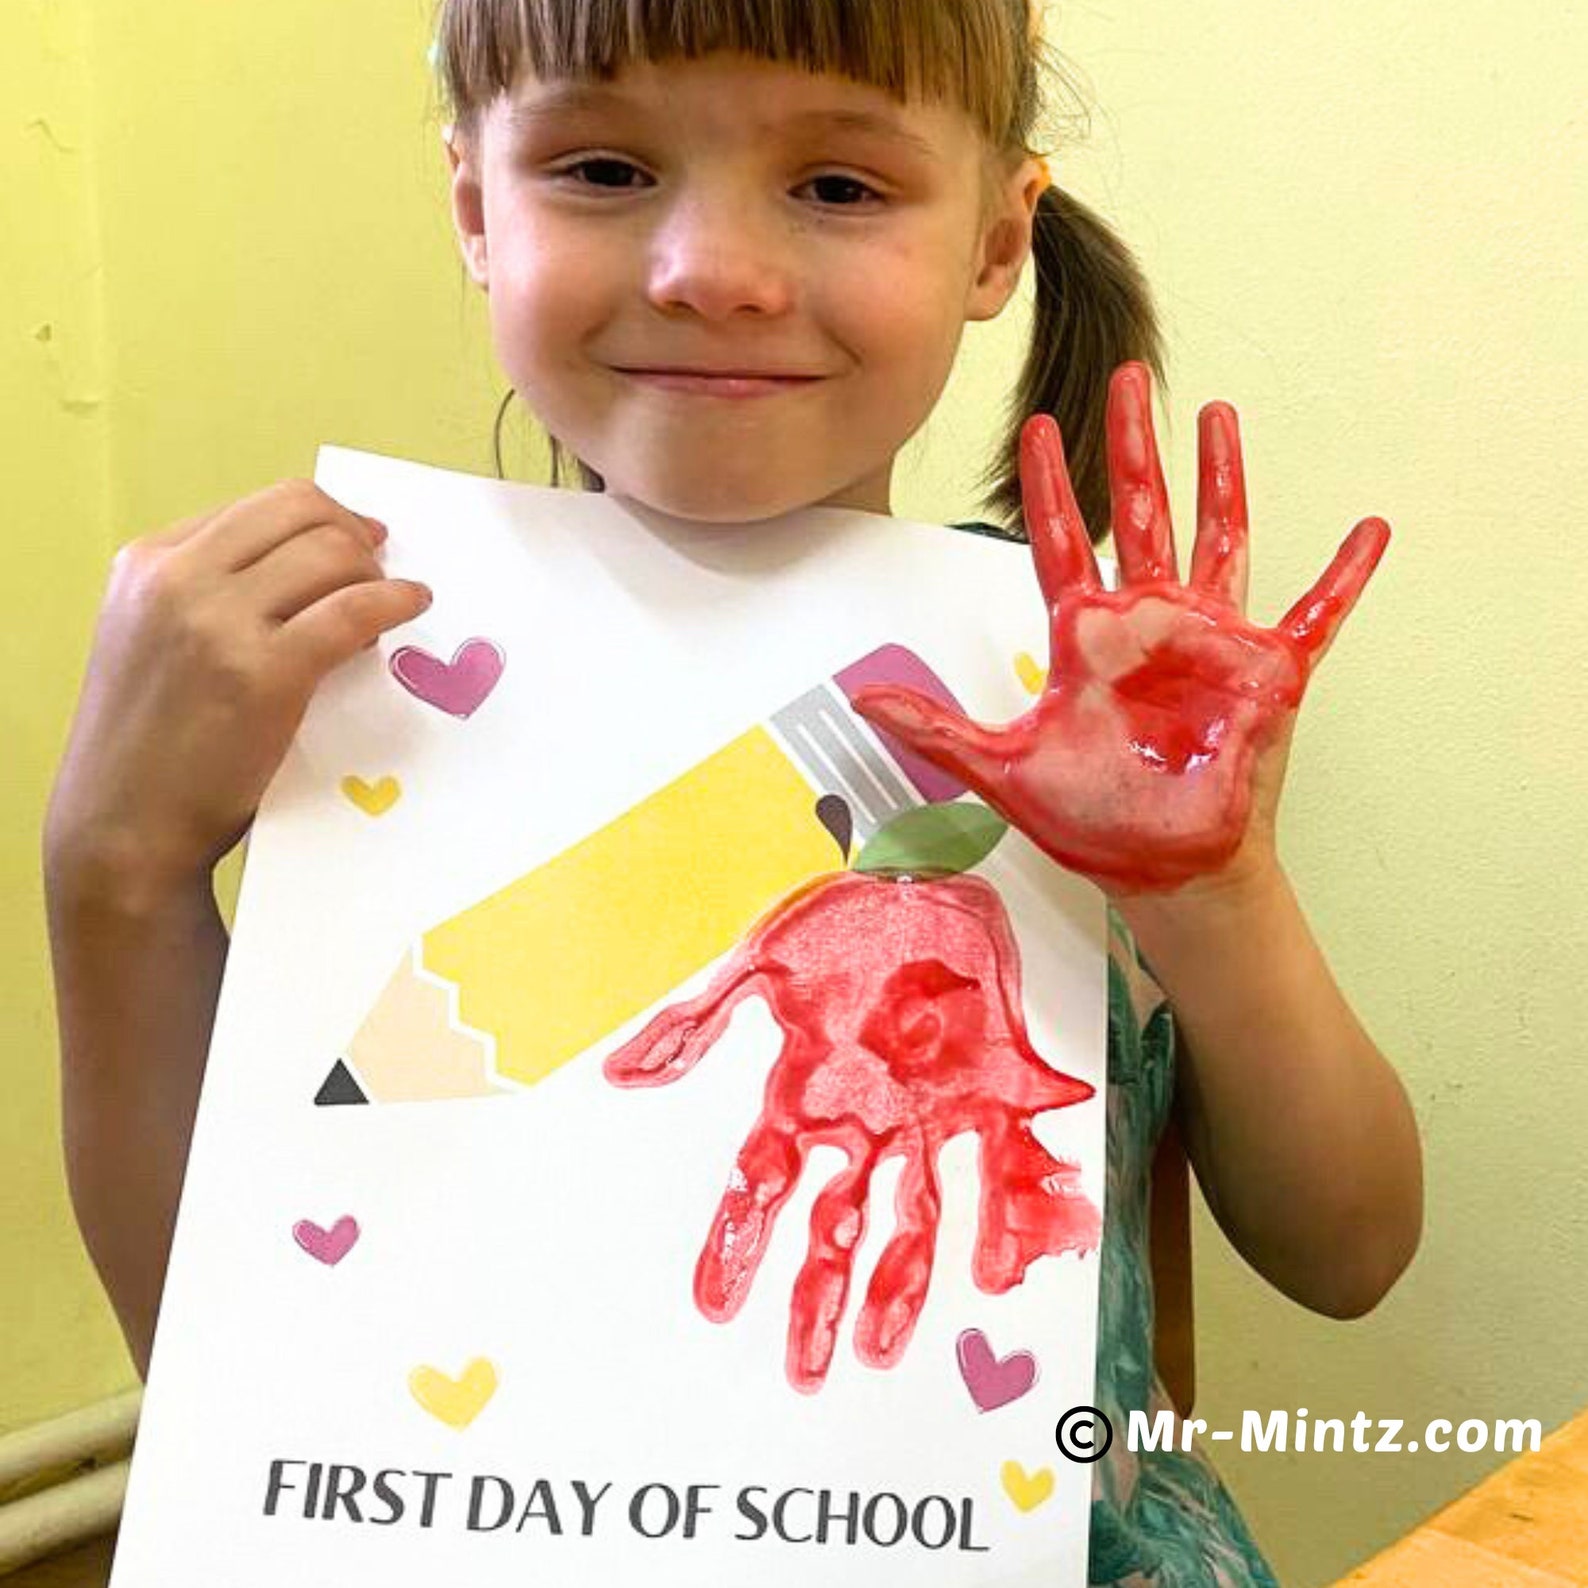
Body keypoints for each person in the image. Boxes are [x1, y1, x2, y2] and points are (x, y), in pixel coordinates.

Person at [41, 1, 1423, 1582]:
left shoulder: (1104, 695)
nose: (714, 269)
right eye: (606, 167)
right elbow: (240, 1373)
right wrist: (116, 869)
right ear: (477, 210)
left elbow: (1349, 1251)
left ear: (992, 245)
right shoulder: (326, 669)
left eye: (839, 188)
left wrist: (1214, 888)